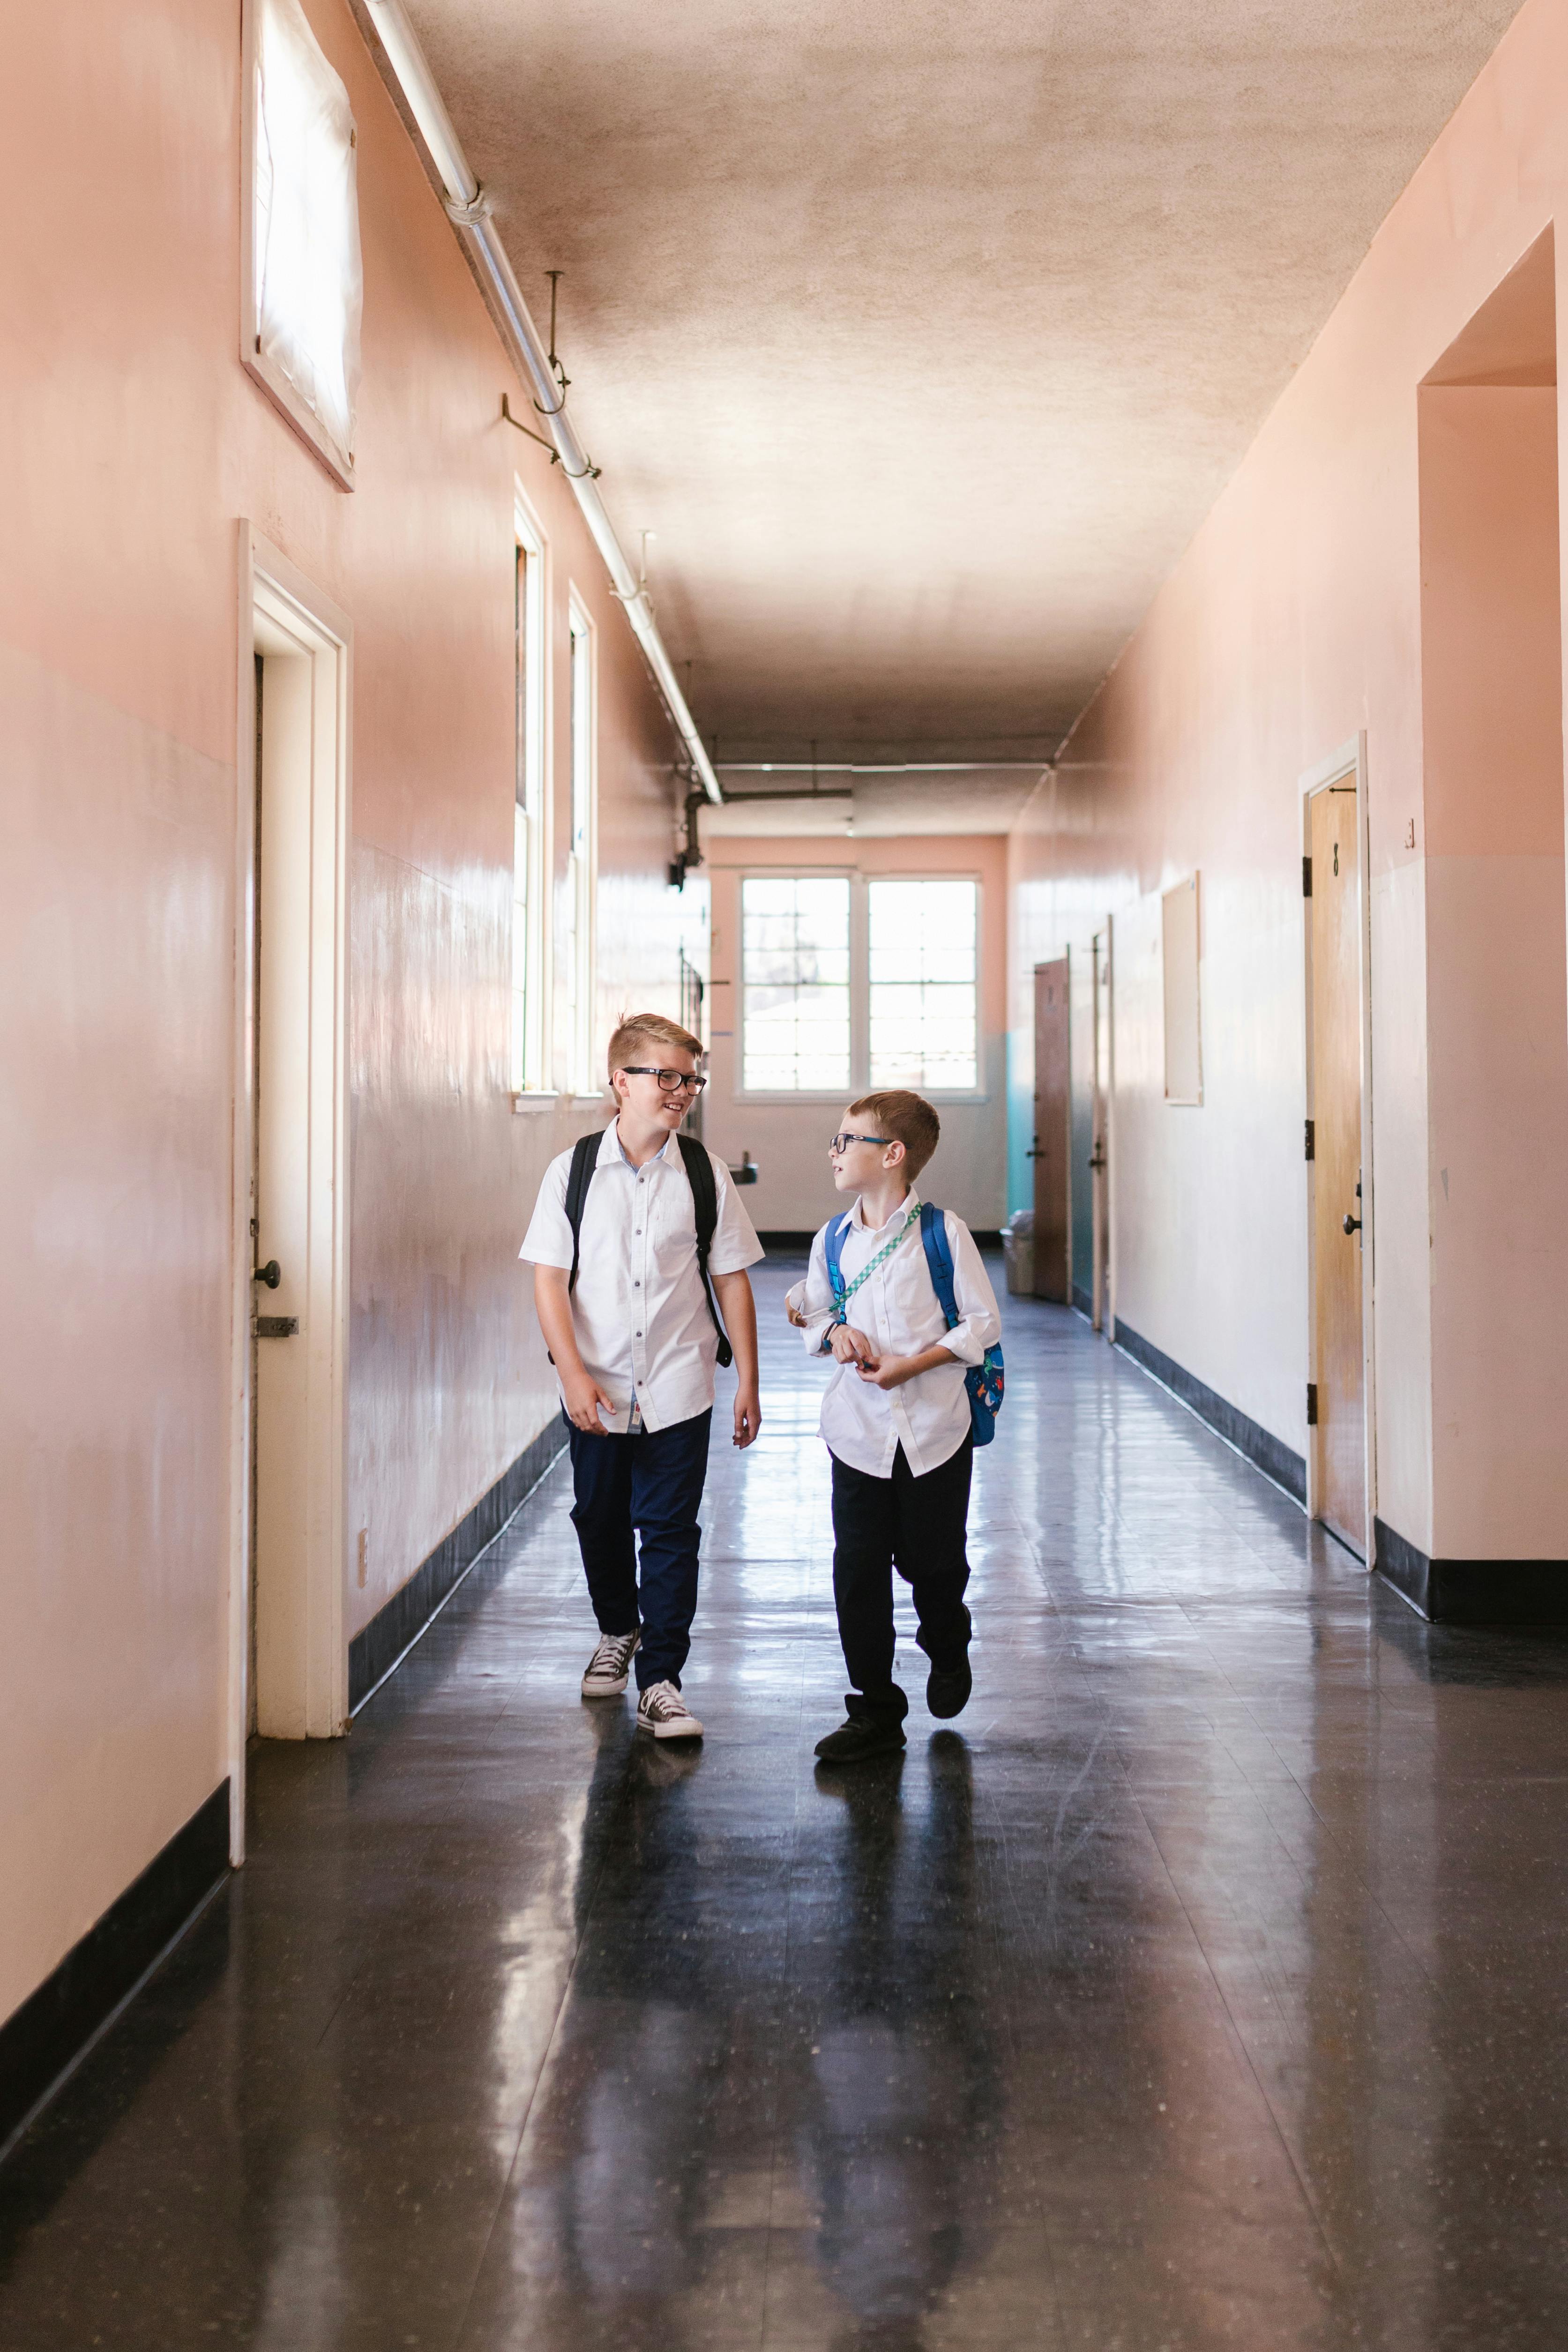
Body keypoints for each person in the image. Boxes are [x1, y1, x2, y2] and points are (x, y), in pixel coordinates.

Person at [521, 1013, 763, 1740]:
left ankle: (661, 1677)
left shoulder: (702, 1173)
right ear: (619, 1082)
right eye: (667, 1076)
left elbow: (732, 1281)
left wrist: (748, 1380)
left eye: (690, 1078)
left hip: (679, 1382)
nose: (682, 1090)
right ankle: (617, 1629)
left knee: (667, 1529)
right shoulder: (570, 1173)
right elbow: (549, 1281)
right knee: (597, 1516)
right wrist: (571, 1376)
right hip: (594, 1386)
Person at [786, 1092, 1001, 1764]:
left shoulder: (943, 1233)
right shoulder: (833, 1238)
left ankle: (946, 1640)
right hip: (856, 1432)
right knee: (857, 1571)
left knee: (932, 1565)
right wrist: (835, 1332)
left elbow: (981, 1324)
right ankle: (875, 1708)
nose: (834, 1151)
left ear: (892, 1155)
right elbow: (813, 1313)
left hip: (935, 1432)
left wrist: (914, 1365)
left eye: (847, 1140)